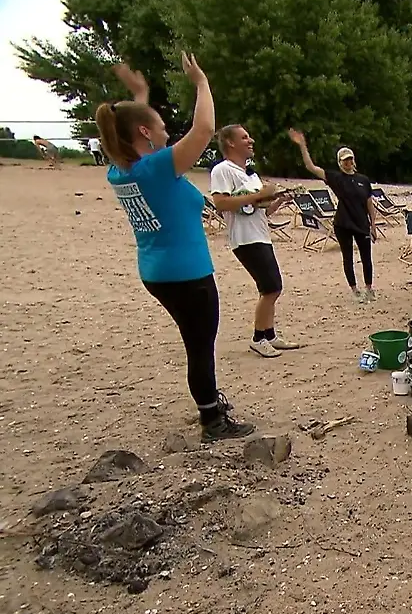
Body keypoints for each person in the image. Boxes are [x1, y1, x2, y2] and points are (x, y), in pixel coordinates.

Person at [95, 52, 253, 442]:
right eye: (162, 127)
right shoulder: (156, 168)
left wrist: (140, 96)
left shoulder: (121, 170)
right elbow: (204, 129)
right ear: (145, 133)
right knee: (200, 347)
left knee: (195, 341)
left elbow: (129, 135)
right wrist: (201, 82)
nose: (167, 133)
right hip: (187, 274)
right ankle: (211, 420)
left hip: (157, 271)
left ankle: (209, 403)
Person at [209, 125, 300, 358]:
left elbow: (262, 211)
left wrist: (279, 200)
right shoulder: (222, 170)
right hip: (245, 239)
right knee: (271, 287)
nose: (251, 141)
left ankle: (270, 335)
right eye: (244, 137)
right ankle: (259, 338)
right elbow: (220, 203)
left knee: (270, 288)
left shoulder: (250, 174)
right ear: (230, 143)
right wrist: (260, 194)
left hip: (260, 235)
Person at [288, 129, 378, 302]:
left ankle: (369, 288)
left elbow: (369, 204)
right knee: (348, 257)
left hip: (362, 223)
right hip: (343, 224)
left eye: (350, 159)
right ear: (339, 162)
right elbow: (311, 167)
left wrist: (373, 225)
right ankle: (355, 290)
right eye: (345, 160)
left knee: (367, 257)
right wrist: (302, 146)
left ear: (354, 160)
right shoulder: (336, 178)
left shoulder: (363, 180)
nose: (348, 162)